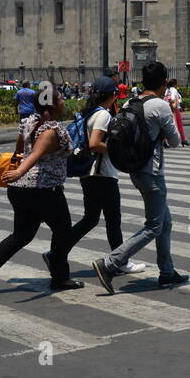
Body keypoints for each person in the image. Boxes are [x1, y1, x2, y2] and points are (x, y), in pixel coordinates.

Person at [0, 82, 84, 294]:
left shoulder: (28, 121)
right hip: (43, 189)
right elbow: (35, 154)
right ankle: (61, 278)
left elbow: (20, 149)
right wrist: (21, 171)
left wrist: (19, 171)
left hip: (20, 190)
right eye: (60, 99)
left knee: (22, 235)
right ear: (50, 107)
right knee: (63, 232)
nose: (64, 101)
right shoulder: (51, 130)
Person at [92, 60, 188, 292]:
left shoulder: (131, 102)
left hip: (135, 168)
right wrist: (172, 112)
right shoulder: (161, 106)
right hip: (151, 172)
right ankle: (110, 263)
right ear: (164, 82)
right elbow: (175, 141)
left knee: (165, 223)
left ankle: (166, 272)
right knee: (154, 226)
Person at [58, 77, 146, 273]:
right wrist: (119, 151)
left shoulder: (88, 113)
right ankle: (120, 261)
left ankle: (56, 252)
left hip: (88, 173)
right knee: (113, 220)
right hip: (102, 174)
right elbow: (95, 143)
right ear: (113, 95)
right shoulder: (103, 115)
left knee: (90, 219)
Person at [165, 77, 190, 146]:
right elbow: (173, 99)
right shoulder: (174, 90)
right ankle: (183, 140)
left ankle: (164, 141)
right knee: (179, 125)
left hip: (167, 108)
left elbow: (166, 98)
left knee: (166, 125)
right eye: (176, 83)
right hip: (174, 109)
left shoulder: (167, 90)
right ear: (174, 84)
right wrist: (176, 104)